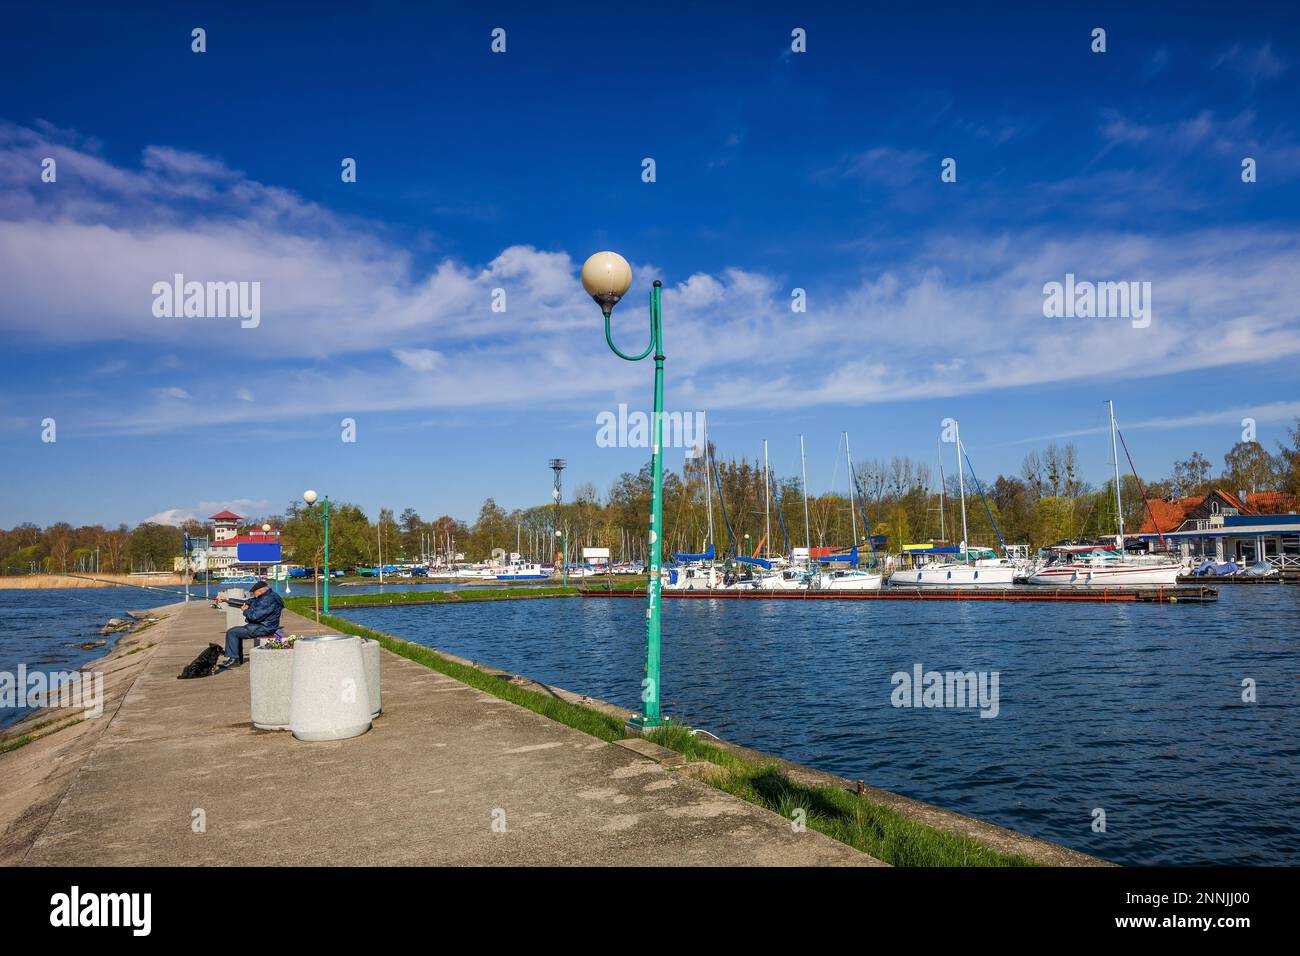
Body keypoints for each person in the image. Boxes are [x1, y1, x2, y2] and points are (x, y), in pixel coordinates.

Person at [219, 580, 283, 668]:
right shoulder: (268, 596)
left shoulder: (267, 600)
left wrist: (245, 611)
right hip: (265, 626)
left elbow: (255, 616)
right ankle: (237, 658)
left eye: (254, 593)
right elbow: (250, 602)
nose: (254, 595)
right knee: (236, 631)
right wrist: (226, 600)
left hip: (264, 628)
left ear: (261, 591)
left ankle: (234, 659)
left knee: (232, 632)